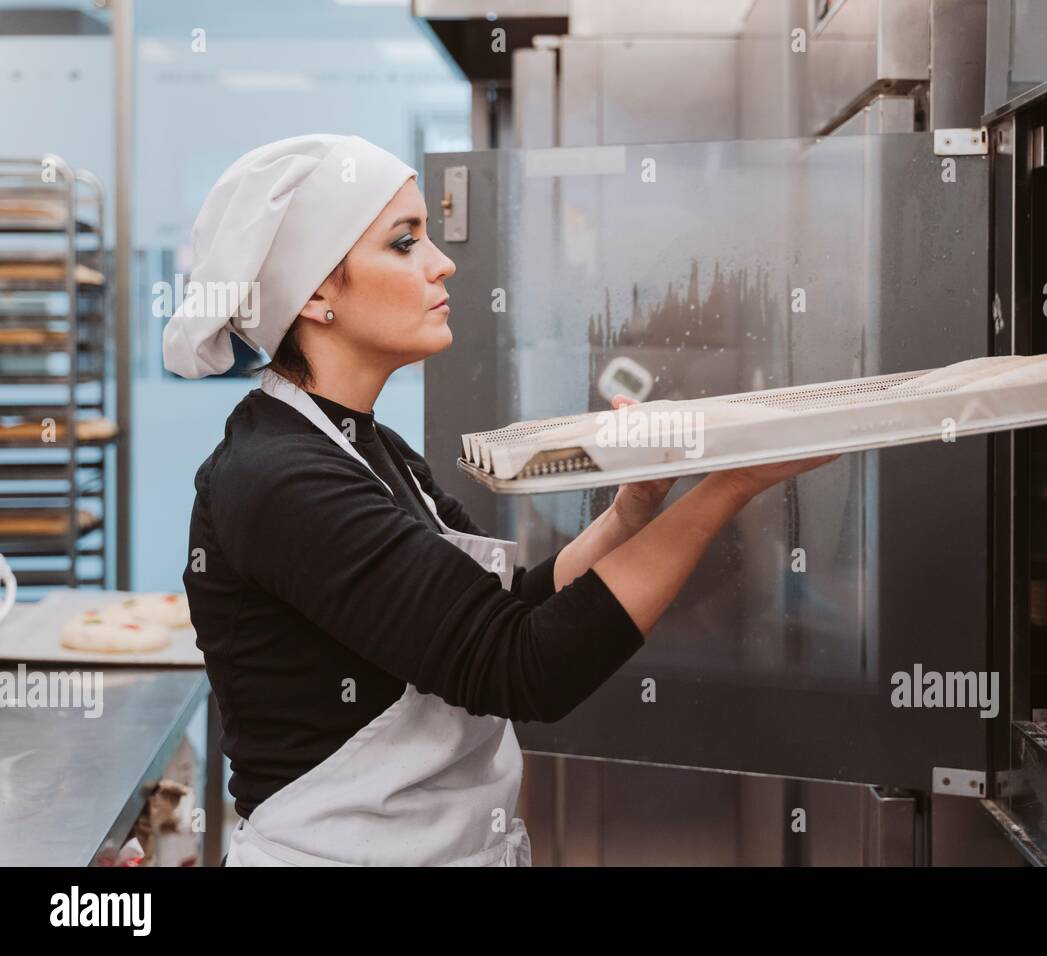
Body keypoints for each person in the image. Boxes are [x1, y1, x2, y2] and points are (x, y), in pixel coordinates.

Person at [163, 133, 835, 867]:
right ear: (317, 293)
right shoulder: (277, 479)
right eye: (404, 242)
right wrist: (730, 483)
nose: (442, 261)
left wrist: (633, 509)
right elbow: (522, 666)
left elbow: (506, 607)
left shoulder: (364, 447)